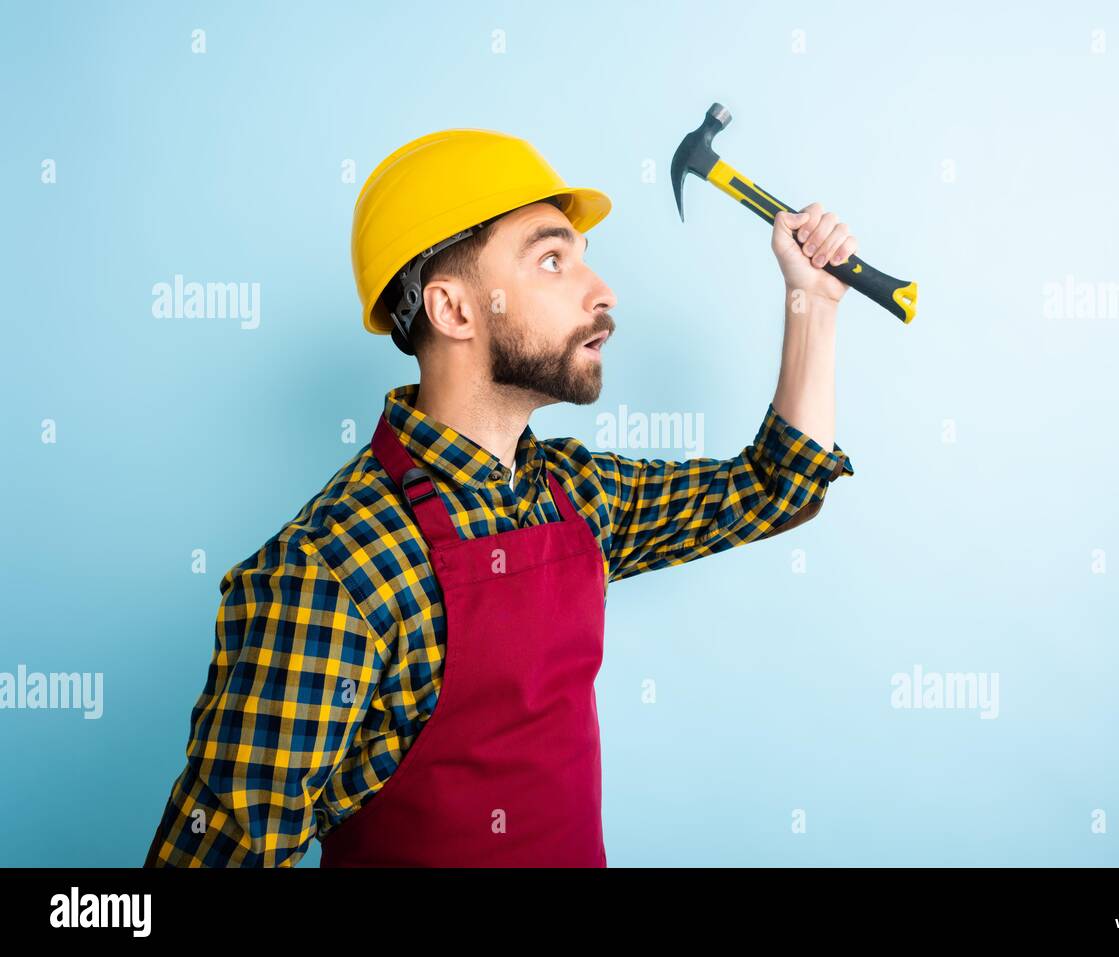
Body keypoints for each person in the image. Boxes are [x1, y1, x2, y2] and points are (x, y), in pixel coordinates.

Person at [143, 128, 856, 867]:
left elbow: (778, 485)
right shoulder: (334, 570)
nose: (601, 290)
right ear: (454, 310)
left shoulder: (577, 496)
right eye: (552, 259)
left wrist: (814, 304)